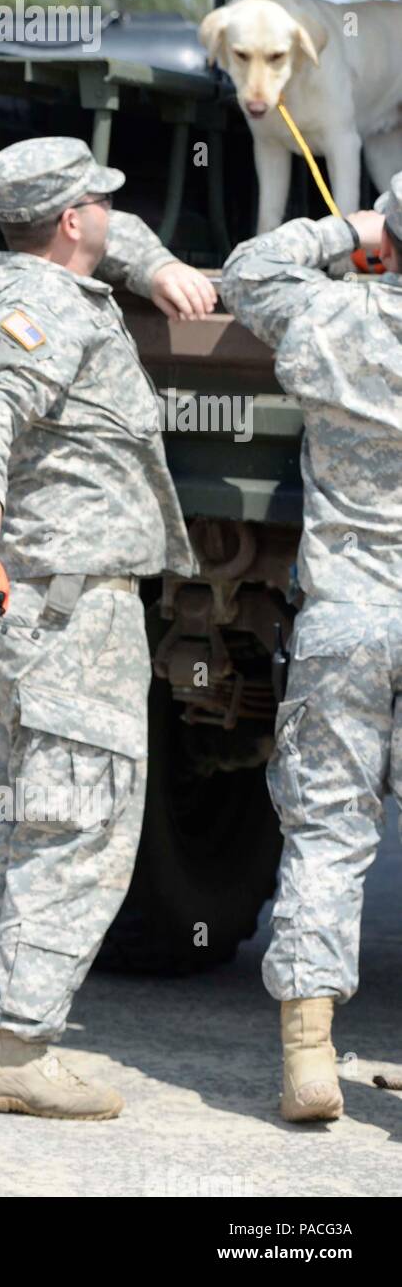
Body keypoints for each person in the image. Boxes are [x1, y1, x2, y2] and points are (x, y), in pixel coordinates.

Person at [0, 136, 216, 1119]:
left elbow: (115, 233)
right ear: (68, 220)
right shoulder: (37, 307)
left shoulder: (46, 275)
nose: (107, 212)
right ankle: (15, 1042)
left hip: (39, 600)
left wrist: (154, 263)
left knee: (25, 816)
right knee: (81, 820)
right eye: (97, 202)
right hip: (67, 604)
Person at [222, 176, 402, 1123]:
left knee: (328, 826)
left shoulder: (335, 315)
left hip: (346, 615)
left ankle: (309, 1056)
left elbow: (249, 270)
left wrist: (350, 226)